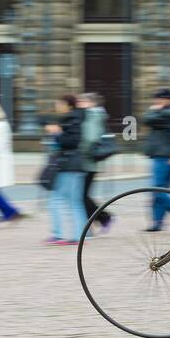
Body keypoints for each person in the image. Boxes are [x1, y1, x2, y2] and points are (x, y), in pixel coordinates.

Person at [43, 95, 87, 246]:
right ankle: (78, 236)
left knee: (57, 199)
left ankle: (58, 234)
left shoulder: (71, 119)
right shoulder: (75, 118)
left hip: (68, 164)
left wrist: (57, 132)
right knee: (75, 201)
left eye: (59, 103)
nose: (57, 106)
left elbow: (72, 141)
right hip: (74, 164)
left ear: (68, 105)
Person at [143, 87, 170, 231]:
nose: (157, 101)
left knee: (158, 191)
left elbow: (146, 119)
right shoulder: (164, 112)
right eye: (156, 98)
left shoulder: (168, 113)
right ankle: (157, 223)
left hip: (163, 156)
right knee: (161, 191)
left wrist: (154, 109)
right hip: (160, 155)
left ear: (169, 100)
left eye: (160, 98)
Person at [76, 92, 112, 231]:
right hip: (87, 162)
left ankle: (102, 218)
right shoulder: (91, 115)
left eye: (82, 101)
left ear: (91, 103)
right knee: (82, 195)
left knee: (81, 196)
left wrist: (80, 151)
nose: (79, 104)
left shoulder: (93, 115)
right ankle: (99, 219)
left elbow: (90, 138)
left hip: (87, 162)